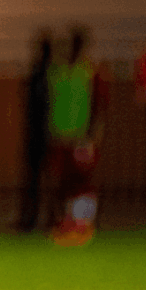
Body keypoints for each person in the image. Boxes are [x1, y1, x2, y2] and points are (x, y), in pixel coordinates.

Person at [47, 26, 108, 246]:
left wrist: (92, 136)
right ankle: (66, 225)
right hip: (59, 137)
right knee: (62, 185)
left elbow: (98, 106)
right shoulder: (58, 70)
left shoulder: (89, 71)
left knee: (82, 184)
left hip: (81, 139)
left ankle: (84, 226)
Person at [16, 30, 52, 233]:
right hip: (38, 132)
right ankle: (31, 218)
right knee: (34, 180)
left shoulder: (46, 74)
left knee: (39, 180)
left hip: (43, 133)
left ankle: (36, 219)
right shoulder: (40, 73)